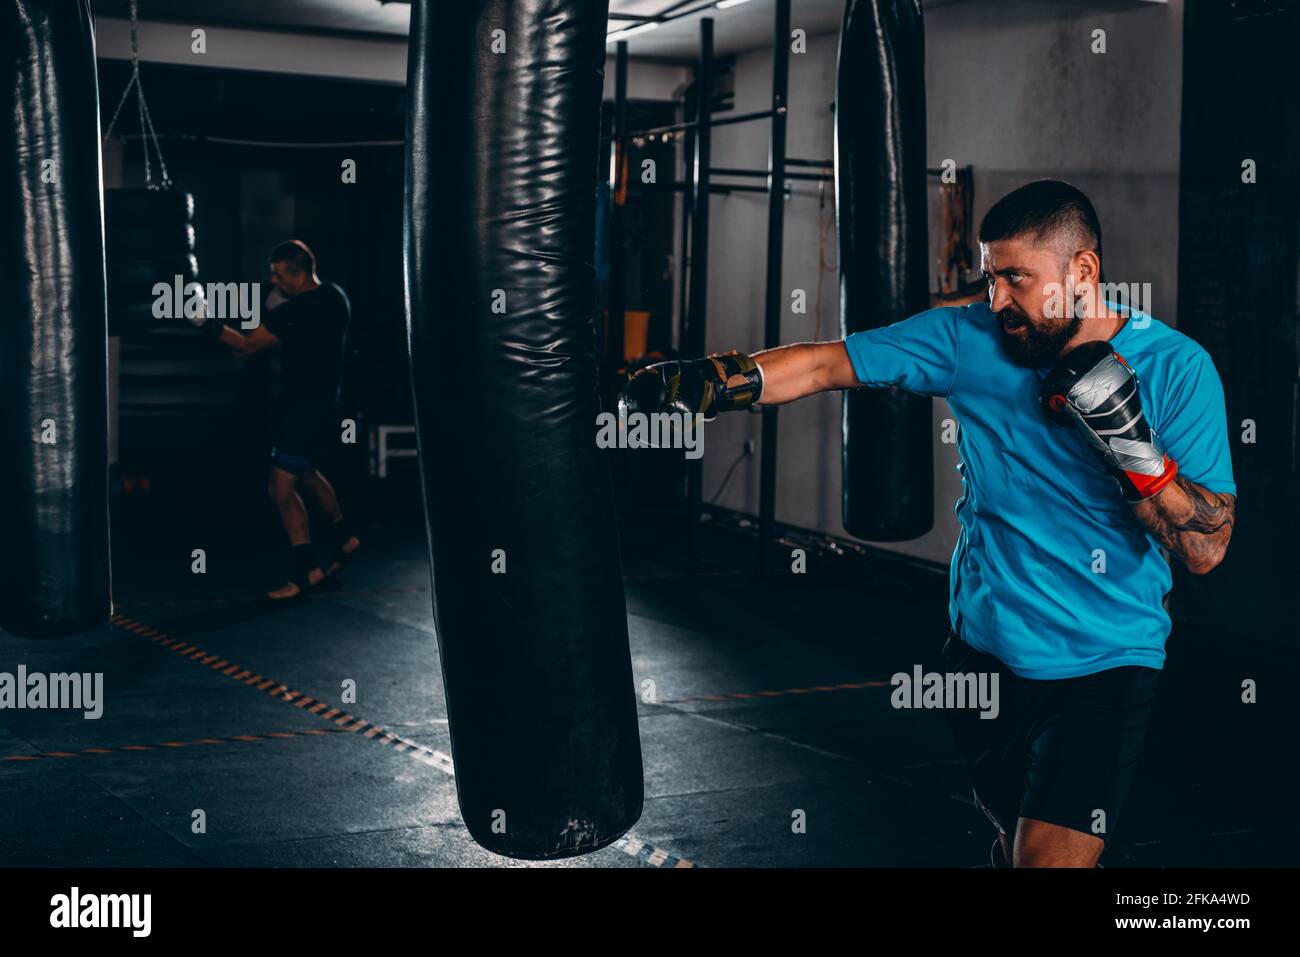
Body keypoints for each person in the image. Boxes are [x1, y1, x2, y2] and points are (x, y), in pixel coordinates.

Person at [621, 180, 1237, 868]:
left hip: (1107, 663)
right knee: (1015, 844)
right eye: (990, 277)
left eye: (1016, 279)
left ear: (1083, 272)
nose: (997, 299)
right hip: (983, 657)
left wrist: (1136, 452)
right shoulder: (968, 338)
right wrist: (712, 380)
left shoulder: (1178, 368)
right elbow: (828, 362)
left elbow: (1206, 549)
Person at [198, 240, 361, 599]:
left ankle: (303, 573)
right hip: (329, 403)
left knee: (280, 487)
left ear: (300, 274)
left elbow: (245, 345)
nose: (274, 281)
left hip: (304, 408)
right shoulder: (336, 297)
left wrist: (204, 321)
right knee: (307, 472)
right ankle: (344, 536)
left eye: (280, 274)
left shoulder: (297, 310)